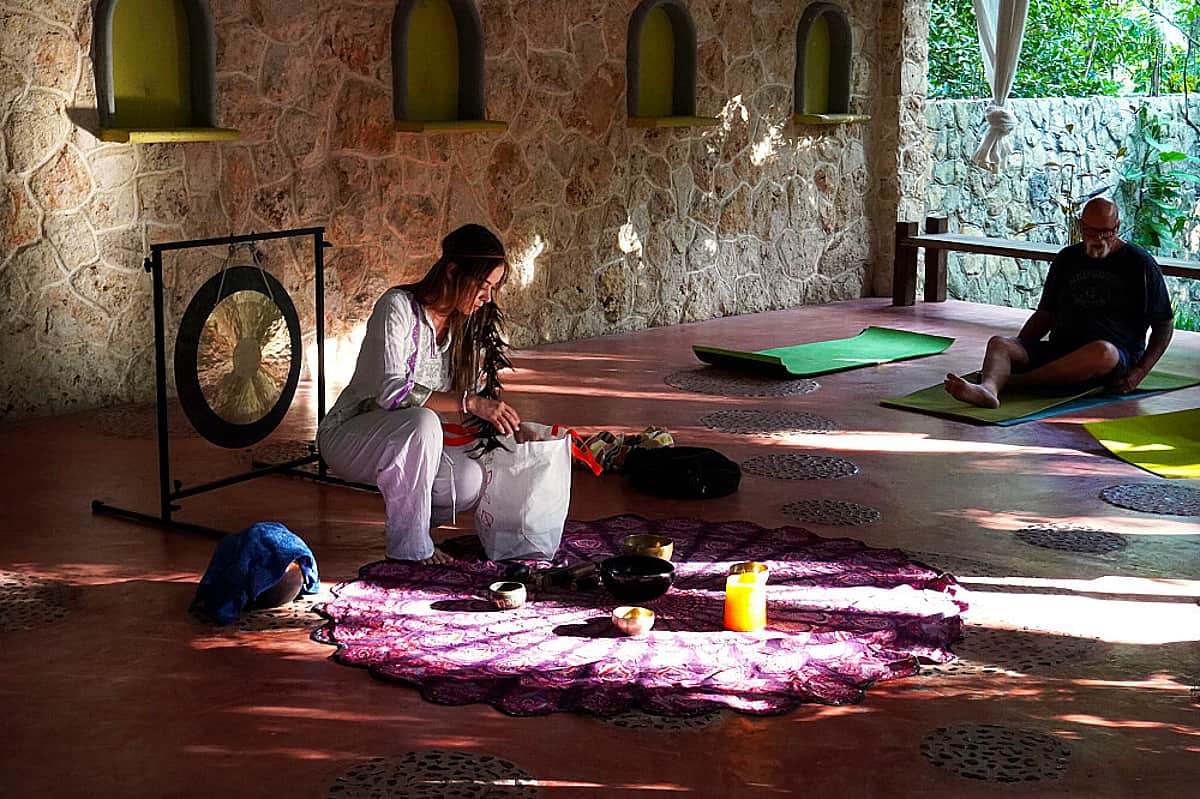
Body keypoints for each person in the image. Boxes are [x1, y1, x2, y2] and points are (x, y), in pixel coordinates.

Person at [317, 224, 520, 564]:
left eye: (492, 289)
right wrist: (468, 402)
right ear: (452, 271)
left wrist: (520, 429)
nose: (487, 298)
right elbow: (392, 392)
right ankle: (409, 549)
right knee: (424, 422)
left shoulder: (463, 326)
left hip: (414, 441)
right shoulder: (396, 307)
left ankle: (412, 528)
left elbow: (473, 402)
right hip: (350, 435)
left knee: (468, 480)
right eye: (482, 286)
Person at [944, 197, 1175, 409]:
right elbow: (1045, 315)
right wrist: (1020, 349)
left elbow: (1164, 325)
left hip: (1112, 357)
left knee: (1102, 351)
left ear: (1117, 227)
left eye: (1106, 232)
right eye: (1091, 231)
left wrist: (1139, 372)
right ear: (1081, 227)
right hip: (1060, 349)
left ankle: (1016, 383)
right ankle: (989, 389)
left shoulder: (1140, 264)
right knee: (1000, 344)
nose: (1098, 239)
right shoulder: (1067, 258)